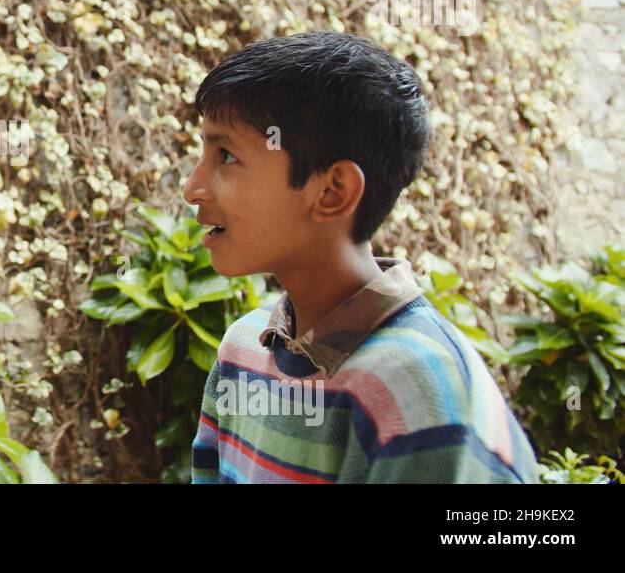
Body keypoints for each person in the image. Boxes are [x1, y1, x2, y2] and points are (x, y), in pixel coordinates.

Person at [184, 31, 538, 483]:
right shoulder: (243, 349)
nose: (192, 187)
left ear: (333, 191)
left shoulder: (419, 396)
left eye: (226, 155)